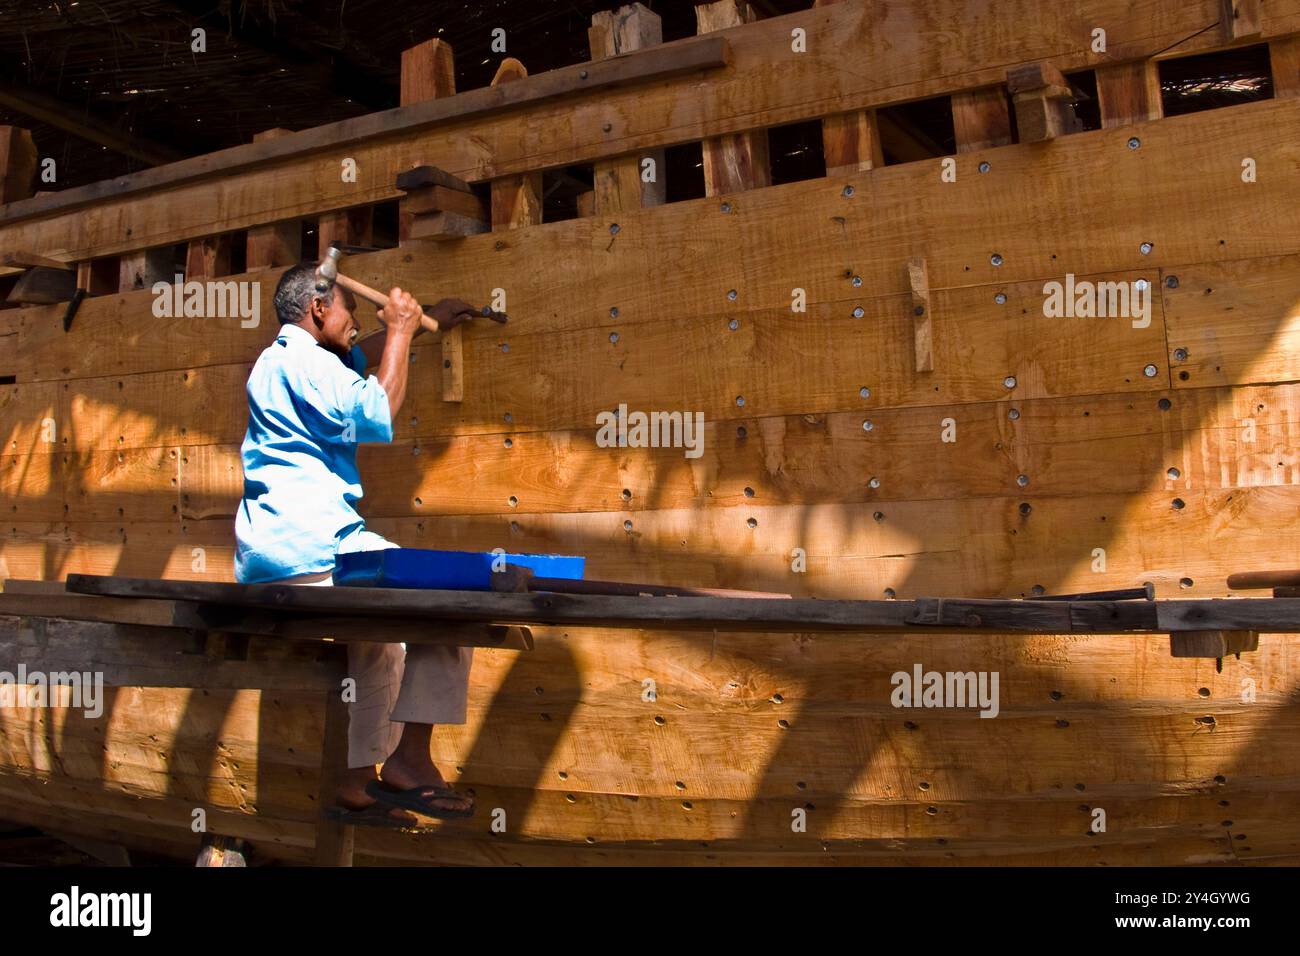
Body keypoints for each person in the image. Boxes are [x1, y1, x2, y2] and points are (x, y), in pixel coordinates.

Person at [235, 261, 483, 824]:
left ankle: (357, 782)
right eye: (348, 310)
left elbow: (355, 357)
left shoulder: (283, 360)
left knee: (380, 645)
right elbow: (376, 411)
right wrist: (400, 329)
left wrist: (422, 322)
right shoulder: (306, 363)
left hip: (277, 553)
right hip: (317, 548)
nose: (356, 322)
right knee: (452, 603)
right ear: (319, 308)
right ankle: (409, 762)